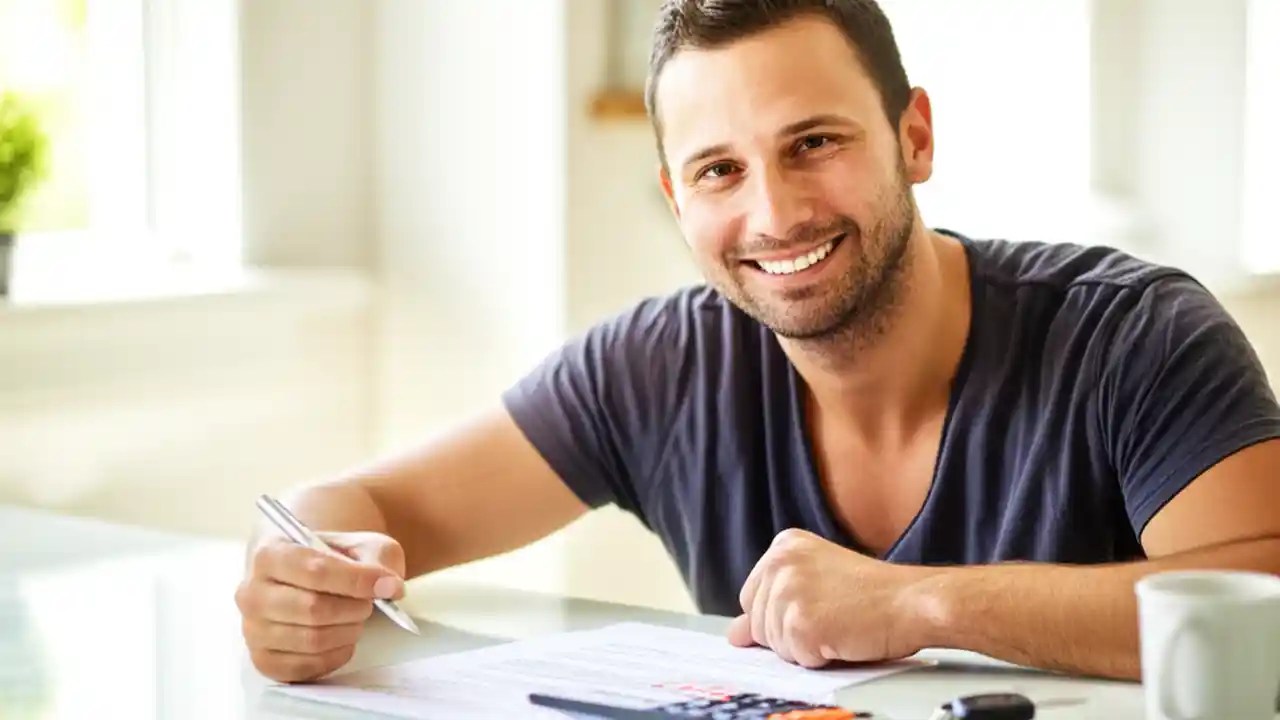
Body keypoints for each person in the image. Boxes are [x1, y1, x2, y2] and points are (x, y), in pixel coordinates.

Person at [234, 0, 1280, 684]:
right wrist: (302, 573)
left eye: (813, 143)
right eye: (717, 171)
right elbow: (360, 509)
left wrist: (918, 601)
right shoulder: (654, 369)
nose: (774, 213)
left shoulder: (1132, 337)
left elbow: (1270, 603)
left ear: (912, 135)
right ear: (673, 198)